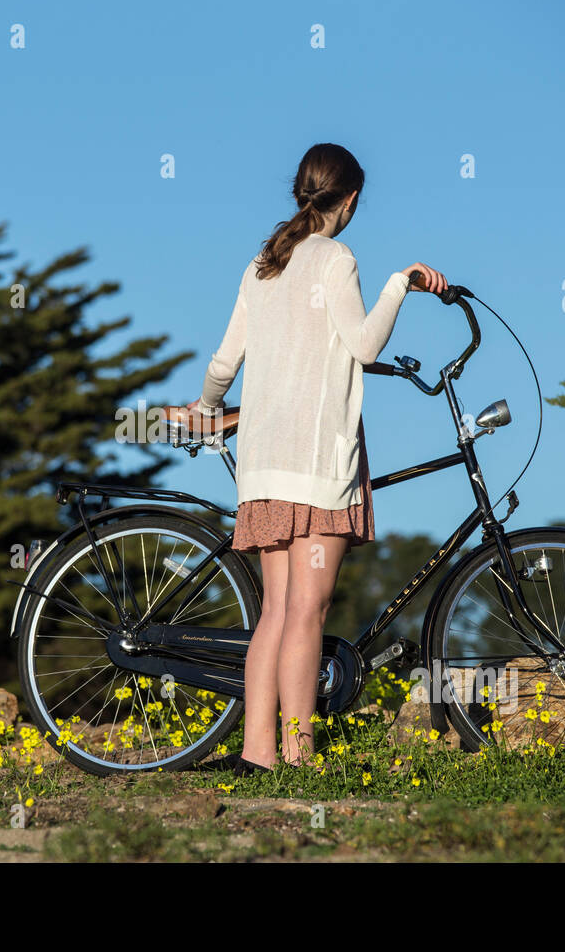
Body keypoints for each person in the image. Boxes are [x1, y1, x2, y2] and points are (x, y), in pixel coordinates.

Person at [184, 142, 447, 773]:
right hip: (316, 465)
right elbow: (362, 344)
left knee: (275, 611)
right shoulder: (336, 258)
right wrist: (401, 282)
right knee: (307, 610)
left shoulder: (262, 266)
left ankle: (257, 754)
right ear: (349, 199)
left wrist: (204, 406)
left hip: (263, 466)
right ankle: (300, 756)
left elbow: (224, 364)